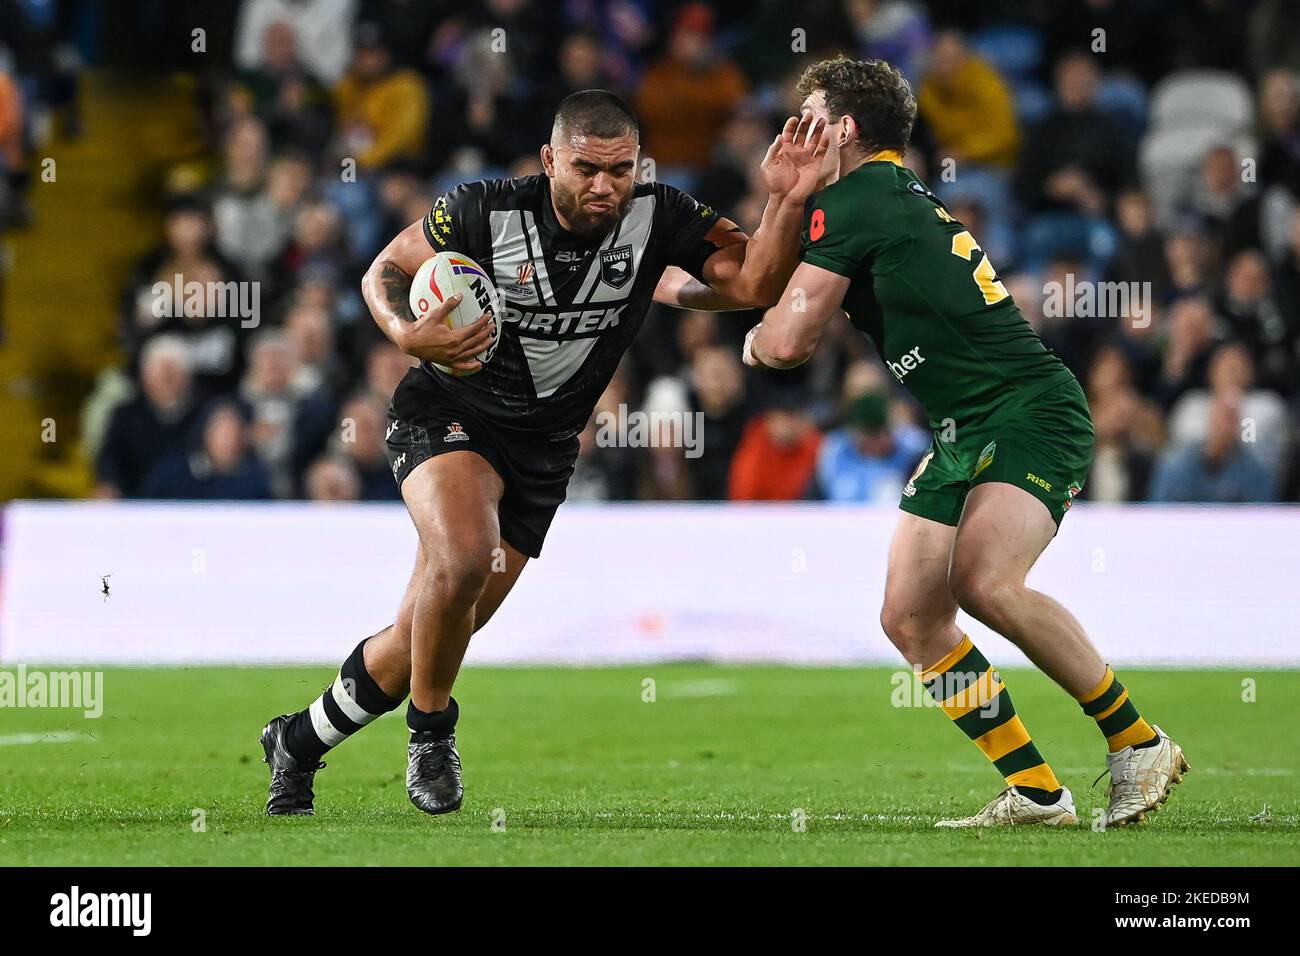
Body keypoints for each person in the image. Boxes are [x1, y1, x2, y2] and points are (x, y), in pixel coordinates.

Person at [258, 89, 830, 816]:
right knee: (463, 559)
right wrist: (406, 334)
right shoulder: (482, 209)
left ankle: (297, 744)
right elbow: (385, 272)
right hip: (448, 415)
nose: (605, 186)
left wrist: (785, 200)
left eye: (620, 170)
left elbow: (754, 285)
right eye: (586, 169)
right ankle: (432, 734)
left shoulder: (662, 217)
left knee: (427, 632)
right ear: (548, 160)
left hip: (544, 452)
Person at [739, 55, 1189, 829]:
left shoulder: (855, 202)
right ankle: (1038, 791)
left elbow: (783, 343)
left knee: (985, 581)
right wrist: (783, 197)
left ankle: (1136, 739)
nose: (796, 133)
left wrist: (750, 340)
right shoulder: (874, 196)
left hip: (1028, 411)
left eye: (810, 120)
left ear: (844, 130)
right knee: (911, 617)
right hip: (966, 426)